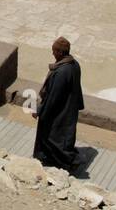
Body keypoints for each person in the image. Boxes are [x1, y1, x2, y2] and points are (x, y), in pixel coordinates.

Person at [32, 36, 85, 171]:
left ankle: (65, 162)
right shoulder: (74, 64)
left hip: (60, 112)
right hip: (69, 109)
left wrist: (40, 111)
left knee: (52, 138)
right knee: (64, 138)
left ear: (61, 52)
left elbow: (53, 97)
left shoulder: (61, 72)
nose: (53, 53)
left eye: (54, 51)